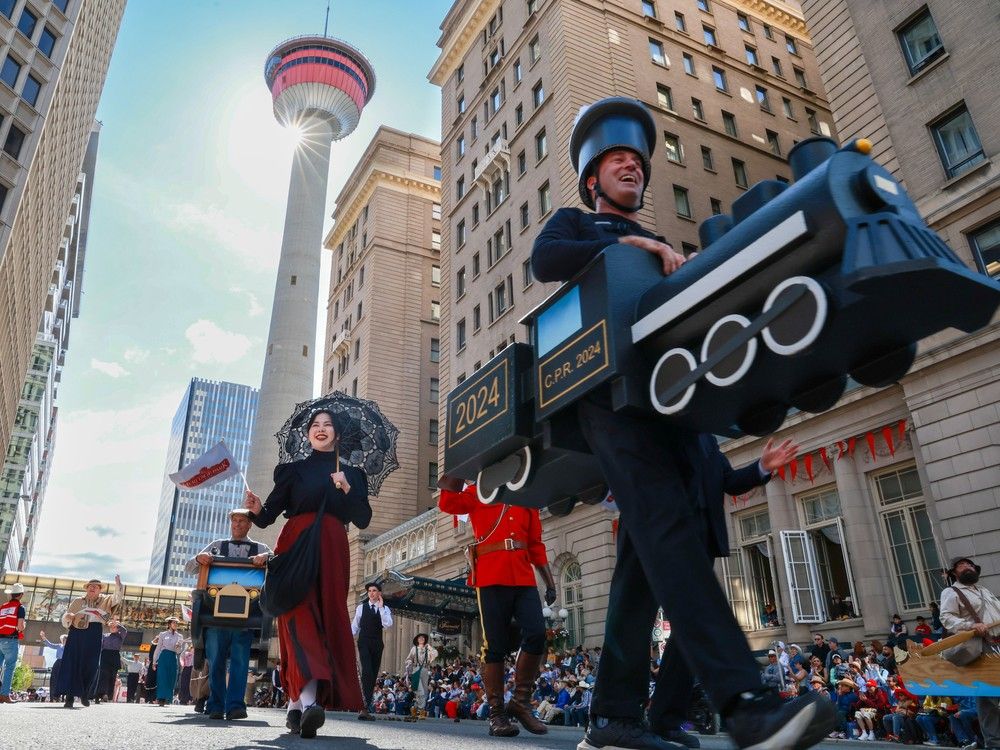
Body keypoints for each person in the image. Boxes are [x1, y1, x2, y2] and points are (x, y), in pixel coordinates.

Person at [531, 96, 835, 750]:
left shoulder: (668, 246)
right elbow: (544, 261)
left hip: (674, 399)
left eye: (639, 163)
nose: (633, 169)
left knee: (647, 566)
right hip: (608, 393)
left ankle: (618, 720)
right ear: (592, 178)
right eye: (618, 160)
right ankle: (746, 704)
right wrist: (626, 241)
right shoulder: (576, 226)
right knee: (666, 529)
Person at [244, 409, 370, 739]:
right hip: (295, 545)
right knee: (297, 617)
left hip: (332, 548)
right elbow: (268, 517)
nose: (321, 429)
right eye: (315, 425)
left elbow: (363, 519)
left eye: (328, 425)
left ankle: (296, 704)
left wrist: (347, 489)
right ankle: (308, 701)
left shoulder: (352, 474)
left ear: (337, 434)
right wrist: (256, 509)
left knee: (324, 619)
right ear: (308, 433)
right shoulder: (293, 470)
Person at [438, 480, 555, 738]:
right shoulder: (480, 490)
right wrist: (455, 474)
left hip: (523, 576)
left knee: (537, 634)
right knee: (495, 645)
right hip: (491, 576)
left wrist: (549, 581)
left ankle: (521, 703)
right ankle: (497, 714)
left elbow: (535, 543)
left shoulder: (526, 495)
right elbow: (448, 503)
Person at [189, 507, 272, 721]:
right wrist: (199, 557)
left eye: (242, 521)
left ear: (250, 524)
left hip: (246, 618)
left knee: (240, 663)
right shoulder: (216, 545)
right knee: (215, 661)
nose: (237, 524)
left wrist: (268, 558)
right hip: (215, 617)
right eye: (234, 520)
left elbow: (279, 564)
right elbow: (189, 567)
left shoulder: (261, 548)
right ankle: (215, 704)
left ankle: (236, 706)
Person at [939, 556, 1000, 749]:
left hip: (997, 642)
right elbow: (946, 617)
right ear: (954, 573)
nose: (967, 567)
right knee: (990, 695)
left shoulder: (984, 590)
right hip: (980, 646)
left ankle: (992, 741)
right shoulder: (951, 592)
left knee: (989, 696)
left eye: (970, 564)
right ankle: (994, 742)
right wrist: (970, 625)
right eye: (961, 565)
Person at [57, 575, 123, 708]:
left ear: (100, 590)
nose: (92, 588)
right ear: (86, 589)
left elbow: (117, 598)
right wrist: (68, 616)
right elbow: (66, 618)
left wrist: (118, 586)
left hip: (94, 631)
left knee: (91, 664)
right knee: (73, 662)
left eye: (96, 587)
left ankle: (85, 693)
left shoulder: (105, 600)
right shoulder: (77, 601)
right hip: (76, 632)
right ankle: (69, 698)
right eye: (90, 586)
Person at [352, 581, 393, 719]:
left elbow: (388, 624)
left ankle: (365, 707)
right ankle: (362, 706)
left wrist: (380, 608)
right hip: (364, 642)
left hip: (377, 644)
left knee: (373, 674)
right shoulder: (361, 608)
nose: (371, 593)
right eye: (369, 591)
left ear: (379, 593)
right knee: (367, 672)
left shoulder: (385, 609)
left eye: (374, 590)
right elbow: (355, 626)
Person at [0, 582, 26, 703]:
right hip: (10, 640)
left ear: (11, 594)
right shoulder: (20, 608)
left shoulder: (3, 607)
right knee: (9, 668)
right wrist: (23, 626)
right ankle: (4, 695)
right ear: (21, 595)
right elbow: (20, 627)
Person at [151, 616, 185, 706]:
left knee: (171, 677)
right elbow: (158, 648)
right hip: (163, 657)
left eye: (176, 623)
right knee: (162, 677)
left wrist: (178, 646)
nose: (175, 624)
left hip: (173, 657)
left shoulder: (180, 636)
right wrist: (154, 661)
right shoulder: (163, 634)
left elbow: (179, 651)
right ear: (169, 624)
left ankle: (168, 698)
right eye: (173, 623)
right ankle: (161, 698)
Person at [93, 618, 127, 703]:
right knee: (103, 675)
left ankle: (107, 694)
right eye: (111, 626)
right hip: (105, 655)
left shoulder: (120, 636)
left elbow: (124, 630)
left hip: (114, 655)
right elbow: (100, 646)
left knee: (112, 676)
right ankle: (99, 694)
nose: (112, 628)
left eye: (114, 627)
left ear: (118, 628)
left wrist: (117, 624)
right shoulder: (105, 635)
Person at [404, 633, 438, 715]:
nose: (421, 639)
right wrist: (409, 663)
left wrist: (429, 647)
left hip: (425, 670)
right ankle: (421, 710)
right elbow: (408, 659)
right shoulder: (414, 649)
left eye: (423, 638)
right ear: (417, 640)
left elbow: (435, 654)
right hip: (416, 669)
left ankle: (415, 707)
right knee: (420, 691)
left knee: (424, 692)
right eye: (419, 638)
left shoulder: (428, 649)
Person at [39, 631, 67, 702]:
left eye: (66, 639)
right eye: (64, 639)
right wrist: (44, 638)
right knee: (54, 679)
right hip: (58, 663)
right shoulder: (59, 646)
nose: (65, 641)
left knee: (63, 680)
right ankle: (52, 697)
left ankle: (62, 697)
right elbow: (50, 645)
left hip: (66, 663)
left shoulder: (71, 647)